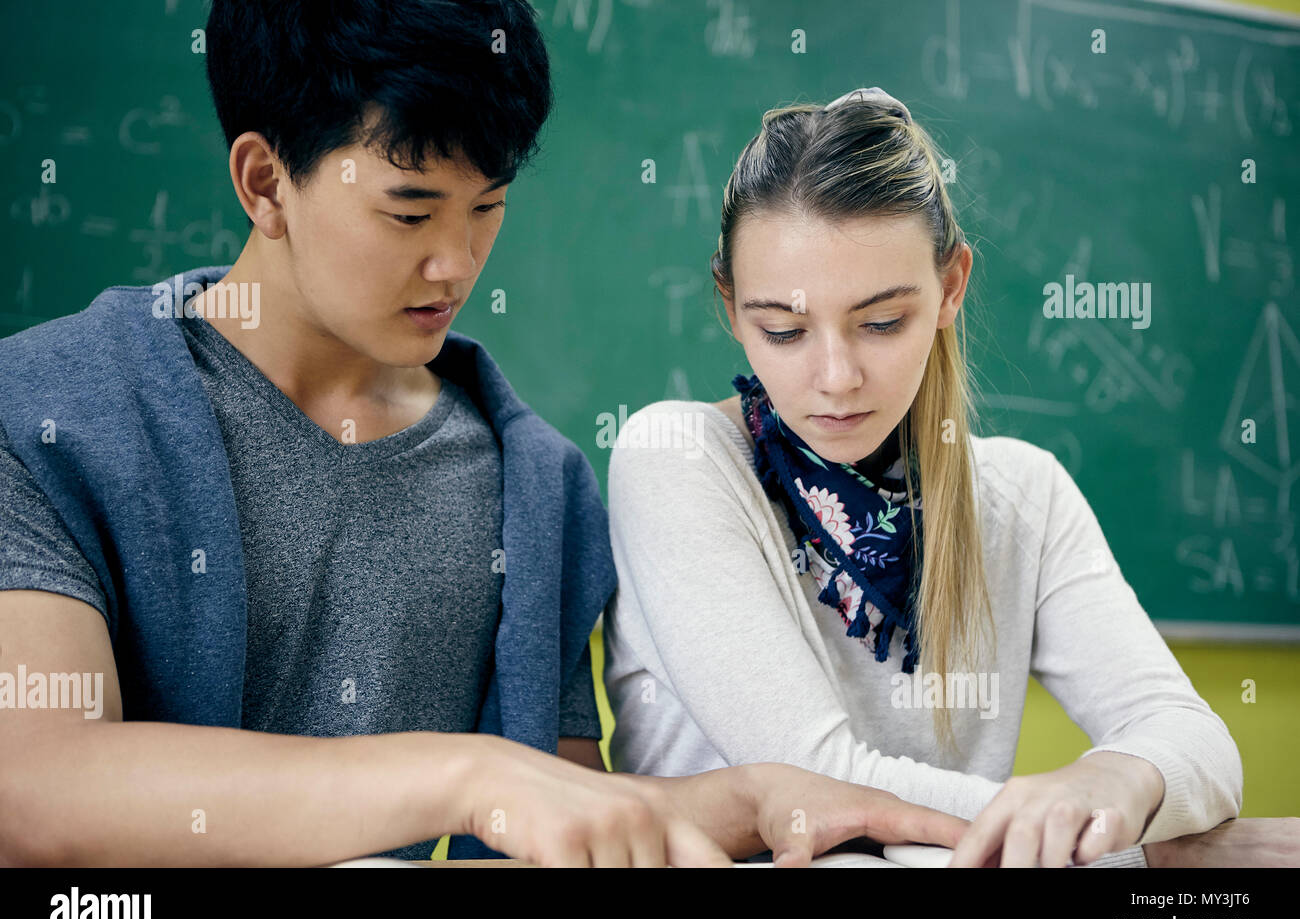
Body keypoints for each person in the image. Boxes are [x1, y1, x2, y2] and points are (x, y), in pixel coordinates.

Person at [0, 8, 968, 868]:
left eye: (488, 207)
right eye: (409, 209)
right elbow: (36, 786)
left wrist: (750, 801)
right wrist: (465, 776)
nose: (454, 261)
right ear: (265, 182)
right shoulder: (47, 413)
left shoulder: (534, 480)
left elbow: (562, 813)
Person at [602, 87, 1249, 868]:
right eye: (784, 329)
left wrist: (1118, 780)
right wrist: (1155, 852)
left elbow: (1194, 740)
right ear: (732, 309)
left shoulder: (1025, 493)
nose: (836, 377)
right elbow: (819, 786)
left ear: (950, 288)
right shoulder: (674, 455)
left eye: (881, 322)